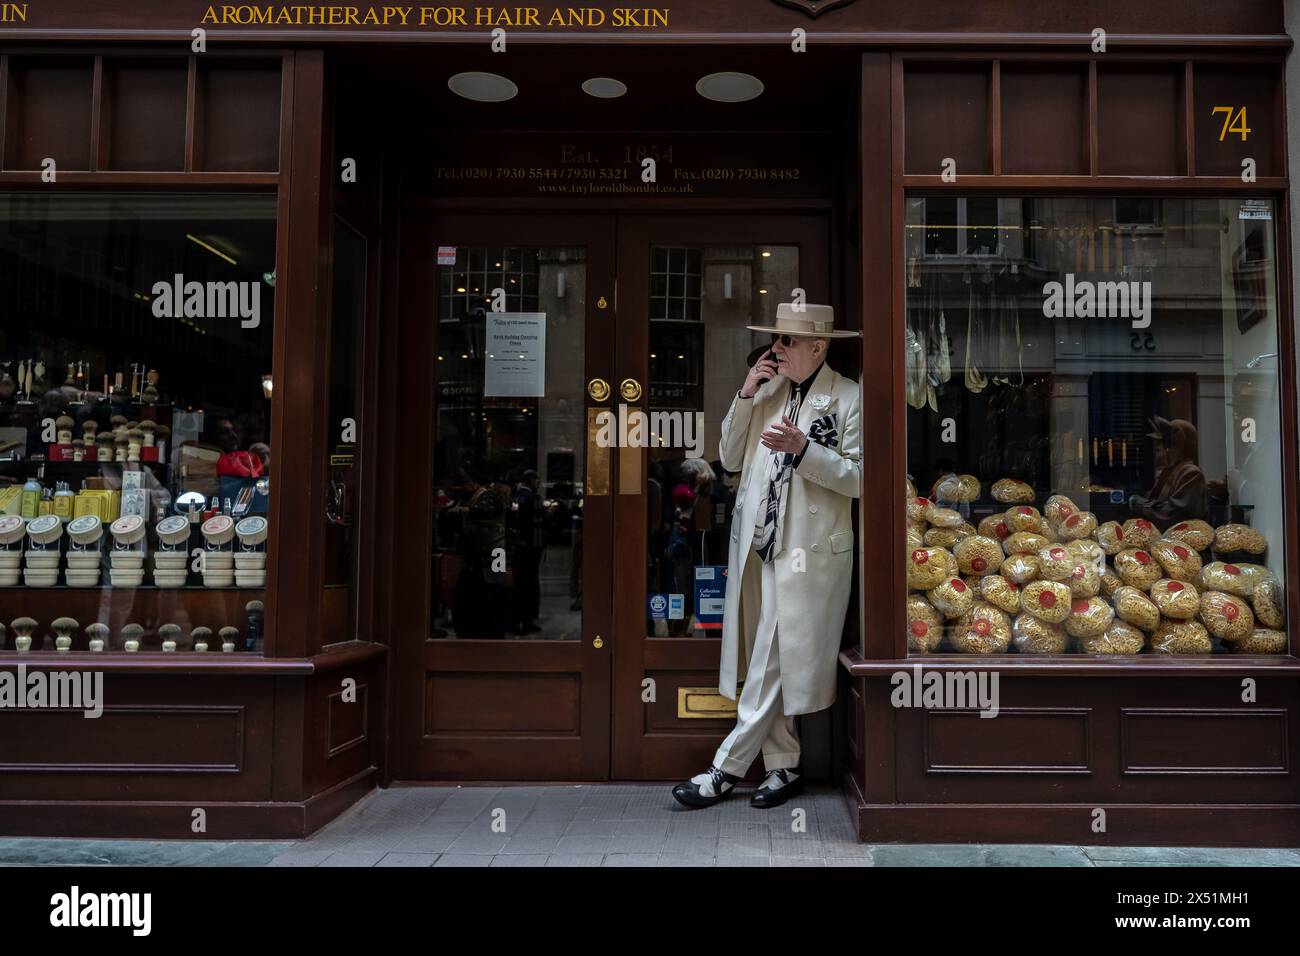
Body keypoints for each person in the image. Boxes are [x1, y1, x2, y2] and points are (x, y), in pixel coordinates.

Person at [672, 302, 861, 810]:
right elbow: (730, 458)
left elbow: (861, 478)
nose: (776, 350)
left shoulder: (848, 396)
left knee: (774, 653)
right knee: (770, 650)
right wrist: (746, 392)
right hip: (758, 546)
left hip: (809, 553)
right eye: (776, 341)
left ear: (818, 348)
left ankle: (725, 768)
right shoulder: (770, 390)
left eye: (787, 342)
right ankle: (784, 767)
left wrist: (805, 450)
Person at [1128, 416, 1207, 525]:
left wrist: (1140, 504)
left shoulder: (1191, 473)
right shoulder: (1171, 471)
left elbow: (1172, 513)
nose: (1161, 453)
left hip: (1182, 538)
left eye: (1167, 445)